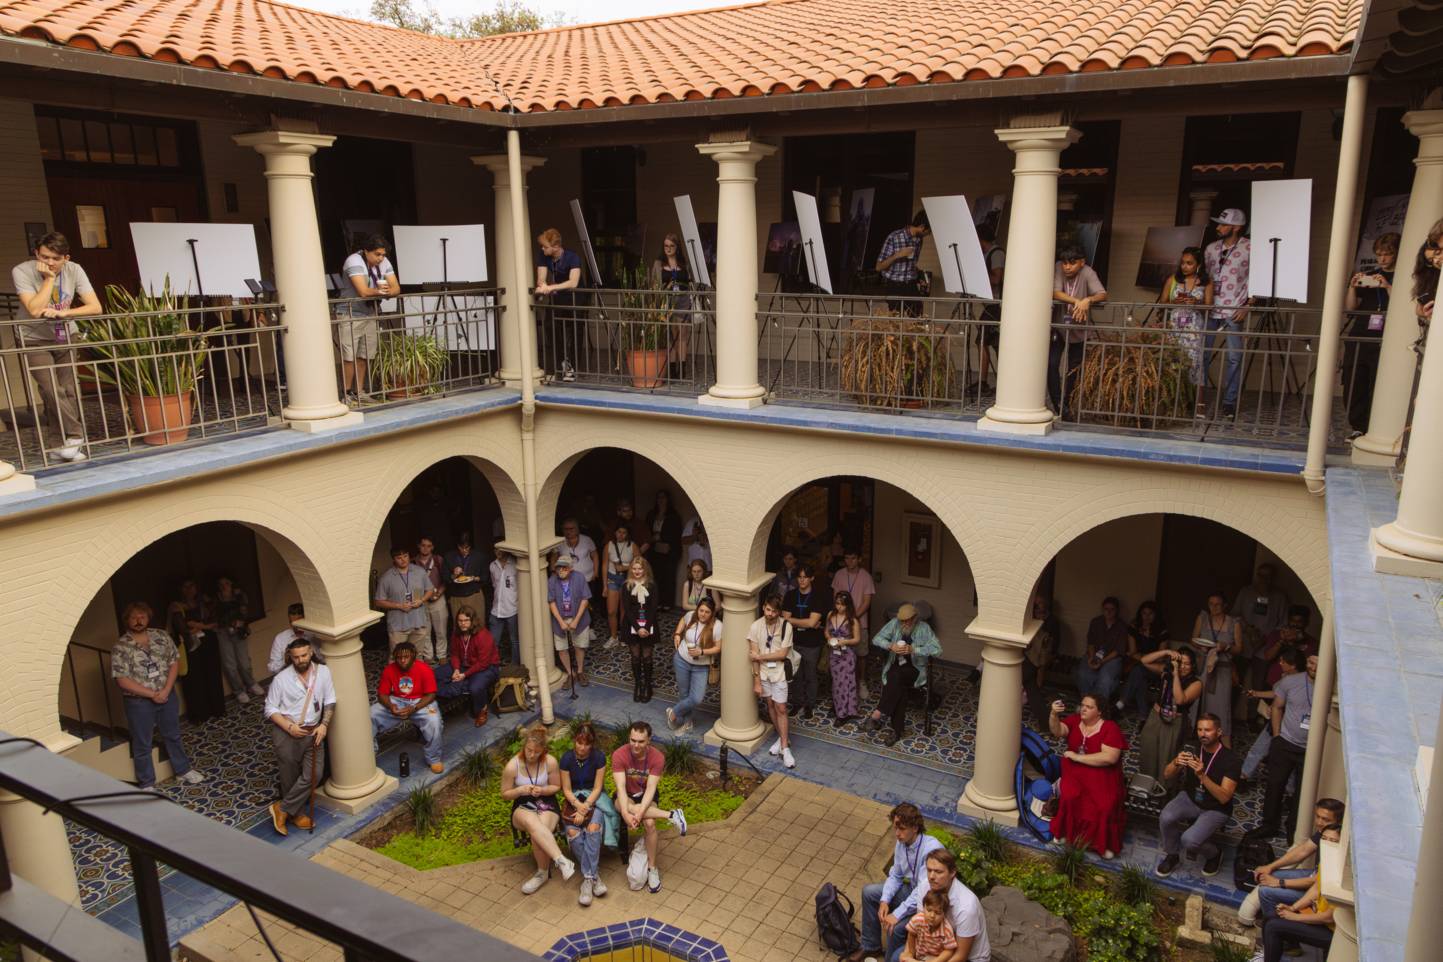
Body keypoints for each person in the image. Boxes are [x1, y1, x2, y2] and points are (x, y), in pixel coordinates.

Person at [11, 231, 101, 462]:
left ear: (66, 258)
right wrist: (49, 279)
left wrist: (65, 312)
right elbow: (34, 309)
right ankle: (75, 435)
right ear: (36, 254)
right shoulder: (22, 271)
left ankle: (57, 445)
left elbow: (95, 307)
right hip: (33, 338)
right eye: (44, 257)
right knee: (51, 389)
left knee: (68, 390)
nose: (49, 262)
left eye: (55, 258)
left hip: (65, 335)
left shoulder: (75, 270)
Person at [111, 602, 205, 788]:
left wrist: (166, 690)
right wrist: (152, 694)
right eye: (134, 617)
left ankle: (183, 770)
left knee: (173, 735)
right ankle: (147, 783)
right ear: (127, 620)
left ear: (148, 618)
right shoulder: (120, 646)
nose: (138, 621)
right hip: (138, 702)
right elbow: (122, 680)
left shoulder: (161, 635)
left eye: (142, 617)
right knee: (142, 743)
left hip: (166, 695)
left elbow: (174, 662)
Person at [848, 803, 945, 962]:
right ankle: (870, 946)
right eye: (895, 828)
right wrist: (885, 900)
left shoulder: (930, 849)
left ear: (915, 828)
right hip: (913, 890)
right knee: (870, 892)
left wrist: (897, 914)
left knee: (896, 927)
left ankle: (889, 959)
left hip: (929, 901)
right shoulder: (902, 842)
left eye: (902, 829)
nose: (897, 834)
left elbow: (923, 890)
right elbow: (896, 875)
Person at [1156, 713, 1242, 878]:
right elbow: (1166, 775)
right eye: (1200, 729)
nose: (1203, 734)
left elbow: (1224, 797)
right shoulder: (1191, 747)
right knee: (1166, 816)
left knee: (1189, 840)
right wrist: (1176, 762)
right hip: (1190, 798)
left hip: (1216, 808)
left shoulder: (1231, 760)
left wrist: (1202, 776)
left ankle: (1214, 854)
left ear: (1219, 732)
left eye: (1208, 730)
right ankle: (1172, 854)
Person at [264, 635, 334, 836]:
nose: (301, 660)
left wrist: (324, 725)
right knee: (289, 777)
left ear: (311, 652)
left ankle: (282, 808)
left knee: (315, 775)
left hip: (314, 731)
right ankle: (297, 814)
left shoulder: (324, 672)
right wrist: (288, 727)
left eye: (304, 655)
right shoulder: (281, 679)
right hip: (287, 732)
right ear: (290, 657)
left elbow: (330, 700)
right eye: (296, 657)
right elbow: (269, 708)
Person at [1240, 798, 1346, 927]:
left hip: (1319, 894)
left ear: (1339, 822)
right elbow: (1303, 851)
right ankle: (1274, 919)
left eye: (1326, 819)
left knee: (1265, 891)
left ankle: (1275, 926)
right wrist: (1270, 866)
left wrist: (1279, 883)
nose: (1319, 822)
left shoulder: (1337, 840)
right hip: (1314, 877)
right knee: (1275, 873)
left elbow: (1317, 883)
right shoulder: (1324, 831)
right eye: (1317, 817)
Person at [611, 721, 688, 893]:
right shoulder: (619, 755)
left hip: (646, 795)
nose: (636, 745)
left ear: (649, 740)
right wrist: (625, 812)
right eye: (633, 740)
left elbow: (651, 789)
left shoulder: (657, 757)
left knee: (650, 824)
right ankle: (671, 815)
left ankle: (652, 869)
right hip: (626, 797)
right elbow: (620, 788)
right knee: (625, 806)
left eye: (641, 741)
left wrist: (640, 814)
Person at [1047, 693, 1127, 858]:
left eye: (1089, 707)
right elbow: (1058, 730)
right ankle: (1067, 834)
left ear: (1099, 712)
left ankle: (1103, 843)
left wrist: (1078, 757)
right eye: (1083, 705)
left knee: (1104, 804)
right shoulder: (1076, 720)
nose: (1083, 708)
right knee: (1069, 796)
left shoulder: (1110, 728)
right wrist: (1054, 714)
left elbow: (1110, 757)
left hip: (1102, 773)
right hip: (1075, 772)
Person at [1249, 649, 1316, 839]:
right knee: (1274, 786)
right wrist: (1277, 737)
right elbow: (1277, 707)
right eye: (1310, 663)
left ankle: (1293, 829)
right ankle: (1269, 825)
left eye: (1316, 664)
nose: (1312, 667)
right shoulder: (1290, 682)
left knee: (1302, 792)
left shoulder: (1330, 686)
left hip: (1310, 751)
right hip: (1285, 742)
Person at [503, 725, 577, 893]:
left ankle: (542, 873)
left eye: (536, 752)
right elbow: (505, 794)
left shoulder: (550, 762)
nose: (531, 755)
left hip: (546, 802)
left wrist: (543, 790)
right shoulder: (512, 766)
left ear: (543, 750)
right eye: (529, 750)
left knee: (538, 831)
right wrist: (520, 790)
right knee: (531, 821)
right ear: (524, 746)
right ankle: (561, 860)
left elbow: (556, 786)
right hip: (522, 804)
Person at [1253, 824, 1341, 962]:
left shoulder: (1341, 872)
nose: (1327, 844)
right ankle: (1266, 956)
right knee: (1270, 916)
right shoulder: (1328, 862)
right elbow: (1315, 889)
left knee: (1274, 926)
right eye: (1324, 839)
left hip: (1333, 932)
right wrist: (1293, 908)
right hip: (1318, 916)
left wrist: (1294, 917)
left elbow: (1329, 918)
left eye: (1333, 841)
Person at [886, 848, 991, 962]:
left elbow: (961, 956)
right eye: (929, 870)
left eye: (938, 872)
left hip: (967, 958)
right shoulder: (925, 886)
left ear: (952, 873)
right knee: (897, 958)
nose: (931, 876)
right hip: (935, 947)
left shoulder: (966, 906)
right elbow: (919, 927)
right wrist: (908, 954)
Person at [1343, 232, 1399, 434]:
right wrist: (1352, 286)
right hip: (1360, 335)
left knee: (1376, 382)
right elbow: (1350, 309)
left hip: (1384, 338)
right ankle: (1357, 426)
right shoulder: (1371, 274)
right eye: (1379, 254)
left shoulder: (1402, 276)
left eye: (1388, 254)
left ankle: (1375, 426)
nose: (1382, 259)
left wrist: (1387, 285)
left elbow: (1402, 303)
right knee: (1354, 380)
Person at [866, 604, 941, 746]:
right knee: (899, 686)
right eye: (902, 620)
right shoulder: (894, 623)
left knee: (895, 678)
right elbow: (876, 639)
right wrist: (890, 645)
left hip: (915, 669)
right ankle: (897, 731)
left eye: (907, 620)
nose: (904, 623)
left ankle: (878, 714)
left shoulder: (924, 628)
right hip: (895, 666)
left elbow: (937, 649)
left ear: (915, 618)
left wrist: (914, 649)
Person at [337, 233, 398, 404]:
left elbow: (396, 288)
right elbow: (363, 291)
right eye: (377, 254)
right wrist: (383, 292)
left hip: (371, 313)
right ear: (366, 251)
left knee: (365, 355)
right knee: (349, 355)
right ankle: (347, 394)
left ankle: (360, 392)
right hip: (350, 314)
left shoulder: (384, 262)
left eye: (383, 255)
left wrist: (386, 292)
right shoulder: (354, 261)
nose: (381, 258)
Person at [1048, 244, 1108, 417]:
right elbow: (1055, 292)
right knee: (1051, 365)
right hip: (1057, 327)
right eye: (1065, 262)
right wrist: (1077, 301)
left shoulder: (1088, 272)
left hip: (1079, 328)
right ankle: (1058, 403)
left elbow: (1102, 294)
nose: (1067, 267)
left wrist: (1088, 299)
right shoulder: (1058, 268)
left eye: (1072, 263)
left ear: (1082, 263)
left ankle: (1066, 404)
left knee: (1074, 369)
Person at [559, 722, 615, 906]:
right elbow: (566, 789)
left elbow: (598, 787)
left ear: (592, 744)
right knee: (573, 832)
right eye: (579, 743)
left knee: (593, 827)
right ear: (574, 741)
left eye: (586, 744)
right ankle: (594, 876)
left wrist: (587, 806)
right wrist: (577, 805)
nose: (582, 748)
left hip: (594, 798)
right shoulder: (566, 759)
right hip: (573, 799)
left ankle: (587, 881)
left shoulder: (599, 757)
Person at [1204, 209, 1251, 420]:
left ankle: (1229, 402)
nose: (1218, 227)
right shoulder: (1211, 248)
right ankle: (1198, 399)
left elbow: (1258, 278)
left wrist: (1248, 305)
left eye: (1223, 224)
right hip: (1209, 309)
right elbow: (1203, 277)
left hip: (1234, 309)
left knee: (1234, 357)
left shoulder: (1251, 248)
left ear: (1236, 227)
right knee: (1202, 355)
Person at [368, 642, 444, 774]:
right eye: (399, 657)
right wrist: (391, 706)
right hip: (398, 700)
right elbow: (382, 694)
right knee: (370, 715)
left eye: (406, 657)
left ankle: (434, 758)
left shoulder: (424, 669)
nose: (402, 660)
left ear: (413, 656)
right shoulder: (389, 670)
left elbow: (431, 694)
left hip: (420, 702)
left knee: (435, 722)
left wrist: (414, 707)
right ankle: (368, 755)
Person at [1135, 647, 1204, 785]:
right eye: (1180, 662)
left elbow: (1180, 699)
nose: (1182, 667)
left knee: (1166, 757)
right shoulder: (1166, 671)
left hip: (1175, 721)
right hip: (1155, 716)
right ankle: (1145, 789)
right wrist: (1165, 652)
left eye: (1187, 664)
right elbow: (1144, 661)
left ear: (1193, 666)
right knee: (1148, 752)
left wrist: (1176, 675)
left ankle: (1163, 795)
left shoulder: (1196, 683)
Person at [1157, 246, 1213, 416]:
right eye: (1183, 263)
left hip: (1194, 328)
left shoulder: (1206, 282)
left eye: (1189, 263)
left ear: (1198, 264)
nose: (1185, 266)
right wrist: (1176, 302)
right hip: (1175, 326)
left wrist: (1195, 303)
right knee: (1173, 361)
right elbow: (1162, 302)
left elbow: (1210, 306)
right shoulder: (1173, 279)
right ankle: (1173, 402)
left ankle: (1199, 403)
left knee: (1196, 363)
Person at [168, 578, 225, 724]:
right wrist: (200, 626)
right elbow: (184, 628)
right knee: (194, 679)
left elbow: (215, 621)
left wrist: (198, 625)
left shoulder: (204, 601)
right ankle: (199, 715)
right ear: (180, 589)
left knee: (212, 674)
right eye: (185, 586)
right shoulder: (176, 606)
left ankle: (217, 709)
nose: (189, 589)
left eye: (192, 586)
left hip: (209, 642)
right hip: (190, 646)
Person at [750, 595, 796, 768]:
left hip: (780, 672)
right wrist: (756, 681)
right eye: (768, 609)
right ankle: (783, 738)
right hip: (762, 673)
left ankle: (785, 748)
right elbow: (752, 656)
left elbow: (782, 654)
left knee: (781, 707)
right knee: (770, 704)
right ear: (763, 608)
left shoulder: (786, 626)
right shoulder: (755, 626)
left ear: (779, 612)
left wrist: (761, 656)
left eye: (774, 611)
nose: (770, 613)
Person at [434, 605, 500, 727]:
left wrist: (464, 675)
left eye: (466, 620)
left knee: (475, 688)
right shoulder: (456, 634)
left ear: (472, 620)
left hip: (486, 668)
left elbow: (483, 663)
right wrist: (457, 669)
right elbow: (454, 654)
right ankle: (448, 694)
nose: (462, 624)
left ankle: (482, 710)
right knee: (434, 674)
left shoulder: (482, 635)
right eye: (460, 621)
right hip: (463, 666)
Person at [1192, 591, 1243, 745]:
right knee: (1201, 701)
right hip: (1204, 666)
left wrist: (1226, 646)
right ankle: (1201, 735)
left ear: (1225, 605)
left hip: (1223, 668)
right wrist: (1202, 647)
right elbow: (1193, 639)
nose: (1213, 607)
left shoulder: (1234, 622)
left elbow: (1239, 648)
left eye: (1218, 604)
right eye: (1211, 604)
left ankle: (1222, 739)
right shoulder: (1202, 618)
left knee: (1221, 704)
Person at [782, 564, 830, 720]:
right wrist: (807, 622)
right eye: (800, 577)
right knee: (795, 674)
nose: (802, 580)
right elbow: (786, 620)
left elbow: (811, 622)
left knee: (810, 675)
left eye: (805, 577)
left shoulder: (818, 596)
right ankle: (797, 703)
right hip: (794, 641)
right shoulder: (790, 595)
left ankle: (809, 705)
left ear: (811, 578)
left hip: (812, 643)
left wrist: (795, 621)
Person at [667, 596, 722, 733]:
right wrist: (677, 634)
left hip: (701, 666)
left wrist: (702, 651)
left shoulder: (718, 626)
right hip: (681, 660)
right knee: (684, 694)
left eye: (707, 612)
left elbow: (718, 648)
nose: (703, 614)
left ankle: (673, 713)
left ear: (712, 613)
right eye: (701, 610)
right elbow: (682, 620)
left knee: (696, 698)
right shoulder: (691, 615)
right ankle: (687, 723)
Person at [535, 228, 583, 380]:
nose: (542, 249)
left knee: (576, 330)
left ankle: (574, 368)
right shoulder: (543, 256)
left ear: (555, 247)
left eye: (545, 246)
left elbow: (573, 282)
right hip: (558, 297)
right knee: (551, 326)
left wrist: (551, 287)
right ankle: (563, 363)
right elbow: (541, 277)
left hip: (576, 298)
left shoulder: (572, 257)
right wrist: (542, 285)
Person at [832, 548, 876, 702]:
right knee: (842, 653)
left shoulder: (866, 577)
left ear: (859, 559)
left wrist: (852, 618)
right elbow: (835, 598)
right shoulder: (839, 574)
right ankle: (841, 684)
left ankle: (861, 681)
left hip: (859, 622)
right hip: (840, 624)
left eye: (853, 558)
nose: (849, 561)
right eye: (847, 558)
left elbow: (866, 602)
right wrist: (842, 618)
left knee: (861, 654)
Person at [375, 546, 435, 653]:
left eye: (405, 556)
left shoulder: (420, 572)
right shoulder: (386, 577)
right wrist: (399, 606)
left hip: (418, 621)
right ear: (393, 559)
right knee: (397, 657)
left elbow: (430, 589)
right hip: (398, 625)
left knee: (417, 655)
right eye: (399, 557)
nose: (403, 560)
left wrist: (421, 600)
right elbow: (378, 601)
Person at [214, 575, 263, 703]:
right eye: (221, 584)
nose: (224, 586)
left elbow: (246, 612)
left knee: (244, 663)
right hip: (223, 632)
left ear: (231, 584)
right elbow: (214, 617)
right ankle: (239, 691)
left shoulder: (239, 596)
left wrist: (239, 622)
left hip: (239, 632)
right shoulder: (215, 599)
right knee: (230, 665)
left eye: (227, 583)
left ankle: (251, 684)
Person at [649, 233, 693, 376]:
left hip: (683, 301)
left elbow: (690, 282)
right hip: (666, 302)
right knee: (670, 336)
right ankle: (672, 369)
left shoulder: (684, 264)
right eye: (666, 246)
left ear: (677, 247)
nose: (668, 248)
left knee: (682, 334)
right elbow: (654, 284)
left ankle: (682, 367)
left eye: (671, 246)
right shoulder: (659, 263)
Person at [1118, 600, 1170, 717]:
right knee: (1140, 675)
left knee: (1139, 671)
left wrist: (1144, 659)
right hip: (1135, 663)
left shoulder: (1162, 631)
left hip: (1154, 666)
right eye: (1144, 613)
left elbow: (1161, 656)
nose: (1146, 617)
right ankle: (1143, 713)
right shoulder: (1134, 626)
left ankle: (1121, 703)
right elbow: (1132, 652)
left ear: (1156, 615)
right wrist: (1144, 658)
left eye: (1150, 613)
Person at [548, 553, 592, 687]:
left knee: (579, 646)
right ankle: (570, 673)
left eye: (564, 568)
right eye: (558, 568)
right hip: (560, 619)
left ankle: (579, 671)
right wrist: (561, 621)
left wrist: (576, 621)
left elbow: (585, 599)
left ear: (571, 569)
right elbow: (551, 602)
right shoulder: (552, 580)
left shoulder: (579, 577)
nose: (561, 570)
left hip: (579, 618)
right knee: (562, 649)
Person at [621, 556, 659, 702]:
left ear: (645, 569)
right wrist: (637, 628)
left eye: (640, 568)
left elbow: (653, 608)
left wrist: (646, 627)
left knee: (647, 657)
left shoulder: (652, 585)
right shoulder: (626, 586)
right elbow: (627, 609)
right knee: (636, 656)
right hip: (632, 625)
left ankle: (647, 685)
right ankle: (638, 685)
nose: (637, 571)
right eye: (634, 568)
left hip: (649, 624)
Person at [1074, 597, 1128, 699]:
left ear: (1116, 611)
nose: (1108, 612)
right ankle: (1085, 700)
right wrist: (1091, 657)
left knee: (1105, 678)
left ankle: (1099, 704)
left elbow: (1118, 651)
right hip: (1095, 654)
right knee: (1083, 673)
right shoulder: (1096, 622)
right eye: (1106, 609)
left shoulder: (1122, 626)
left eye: (1112, 609)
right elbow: (1091, 642)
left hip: (1112, 658)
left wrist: (1102, 661)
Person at [876, 211, 931, 306]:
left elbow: (911, 264)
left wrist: (920, 278)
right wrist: (897, 255)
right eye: (928, 231)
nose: (929, 234)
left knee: (917, 316)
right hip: (894, 286)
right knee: (896, 319)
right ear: (922, 226)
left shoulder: (919, 240)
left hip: (911, 285)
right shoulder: (894, 237)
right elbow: (879, 267)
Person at [976, 222, 1005, 389]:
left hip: (996, 305)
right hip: (990, 305)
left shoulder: (996, 253)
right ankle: (987, 381)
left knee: (983, 341)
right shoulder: (988, 254)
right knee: (992, 343)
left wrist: (979, 272)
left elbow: (996, 279)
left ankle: (984, 382)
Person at [827, 591, 863, 723]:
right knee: (836, 682)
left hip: (847, 656)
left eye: (842, 605)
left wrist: (844, 642)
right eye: (837, 604)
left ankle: (842, 714)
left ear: (847, 605)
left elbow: (857, 639)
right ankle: (838, 706)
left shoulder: (852, 620)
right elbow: (826, 631)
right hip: (834, 654)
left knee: (846, 683)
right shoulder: (830, 615)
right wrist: (829, 639)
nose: (839, 607)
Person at [412, 536, 449, 663]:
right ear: (419, 546)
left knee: (441, 629)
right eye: (423, 545)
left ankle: (442, 654)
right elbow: (412, 584)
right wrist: (419, 599)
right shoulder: (413, 562)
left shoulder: (438, 560)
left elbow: (446, 579)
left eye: (428, 545)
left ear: (432, 547)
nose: (425, 548)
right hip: (422, 601)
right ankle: (428, 655)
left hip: (438, 598)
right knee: (425, 630)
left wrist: (439, 593)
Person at [644, 490, 681, 610]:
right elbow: (646, 530)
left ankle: (668, 603)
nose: (660, 500)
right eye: (658, 497)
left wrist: (661, 537)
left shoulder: (673, 515)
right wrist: (652, 538)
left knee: (669, 577)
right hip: (654, 551)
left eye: (663, 497)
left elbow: (676, 533)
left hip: (669, 552)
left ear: (668, 499)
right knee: (656, 577)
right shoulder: (651, 514)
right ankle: (657, 601)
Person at [444, 533, 486, 631]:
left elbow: (485, 577)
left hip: (474, 594)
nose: (464, 550)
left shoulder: (480, 556)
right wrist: (454, 575)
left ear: (470, 546)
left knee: (477, 624)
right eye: (461, 547)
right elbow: (445, 578)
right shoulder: (449, 557)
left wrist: (475, 578)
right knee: (460, 626)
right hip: (456, 596)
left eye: (467, 548)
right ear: (457, 546)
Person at [902, 890, 959, 962]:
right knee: (901, 958)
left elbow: (949, 950)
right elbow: (911, 934)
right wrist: (911, 953)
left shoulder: (946, 930)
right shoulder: (917, 920)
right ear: (923, 908)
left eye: (937, 913)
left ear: (944, 914)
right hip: (919, 954)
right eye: (929, 910)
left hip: (936, 957)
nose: (932, 916)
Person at [603, 521, 635, 646]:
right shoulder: (609, 546)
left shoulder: (632, 546)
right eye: (619, 532)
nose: (621, 535)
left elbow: (640, 563)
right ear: (615, 533)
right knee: (611, 611)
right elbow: (604, 565)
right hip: (612, 579)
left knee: (624, 610)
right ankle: (613, 637)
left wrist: (625, 568)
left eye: (624, 533)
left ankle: (623, 636)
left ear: (627, 534)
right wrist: (604, 585)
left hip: (627, 579)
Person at [487, 545, 519, 664]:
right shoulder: (492, 565)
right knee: (493, 641)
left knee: (514, 640)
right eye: (495, 549)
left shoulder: (516, 564)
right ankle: (494, 664)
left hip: (512, 608)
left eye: (500, 549)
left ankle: (515, 665)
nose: (498, 552)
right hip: (496, 609)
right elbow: (494, 585)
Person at [554, 518, 600, 599]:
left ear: (577, 529)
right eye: (566, 529)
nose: (568, 531)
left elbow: (595, 556)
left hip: (587, 578)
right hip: (567, 579)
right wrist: (554, 572)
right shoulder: (559, 542)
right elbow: (554, 558)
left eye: (571, 528)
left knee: (588, 602)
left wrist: (595, 573)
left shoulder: (587, 540)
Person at [1024, 593, 1060, 691]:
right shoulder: (1031, 618)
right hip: (1030, 649)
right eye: (1036, 603)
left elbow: (1052, 642)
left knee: (1041, 660)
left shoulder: (1052, 621)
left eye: (1040, 603)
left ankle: (1036, 688)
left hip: (1045, 651)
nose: (1038, 606)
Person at [267, 602, 308, 676]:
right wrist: (285, 661)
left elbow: (323, 659)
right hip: (290, 679)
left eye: (297, 622)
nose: (294, 626)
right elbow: (272, 668)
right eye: (291, 622)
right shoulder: (280, 638)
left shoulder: (313, 635)